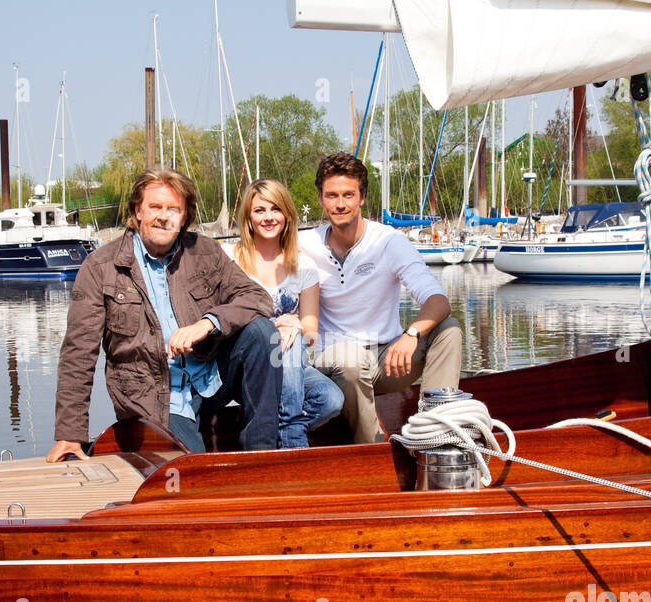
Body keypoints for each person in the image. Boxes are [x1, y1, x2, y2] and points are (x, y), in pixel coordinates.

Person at [46, 169, 280, 461]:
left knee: (262, 333)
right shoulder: (100, 267)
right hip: (153, 396)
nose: (163, 216)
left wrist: (207, 324)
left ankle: (263, 458)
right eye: (155, 207)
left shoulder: (204, 251)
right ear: (138, 211)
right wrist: (70, 434)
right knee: (192, 474)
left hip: (208, 380)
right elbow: (78, 353)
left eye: (173, 209)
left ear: (184, 217)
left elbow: (257, 298)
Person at [298, 153, 463, 443]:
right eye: (332, 195)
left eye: (348, 195)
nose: (340, 204)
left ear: (362, 197)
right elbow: (254, 257)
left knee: (448, 329)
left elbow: (438, 300)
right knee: (351, 359)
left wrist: (411, 333)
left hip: (388, 359)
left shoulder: (389, 241)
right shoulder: (305, 243)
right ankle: (372, 448)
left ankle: (433, 433)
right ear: (321, 198)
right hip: (336, 359)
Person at [232, 179, 343, 448]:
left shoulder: (302, 265)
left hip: (293, 365)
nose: (268, 217)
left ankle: (276, 430)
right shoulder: (232, 260)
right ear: (248, 217)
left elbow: (311, 330)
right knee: (279, 336)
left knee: (331, 400)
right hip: (250, 366)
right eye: (259, 211)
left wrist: (296, 326)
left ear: (287, 216)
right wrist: (275, 327)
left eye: (275, 209)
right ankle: (293, 441)